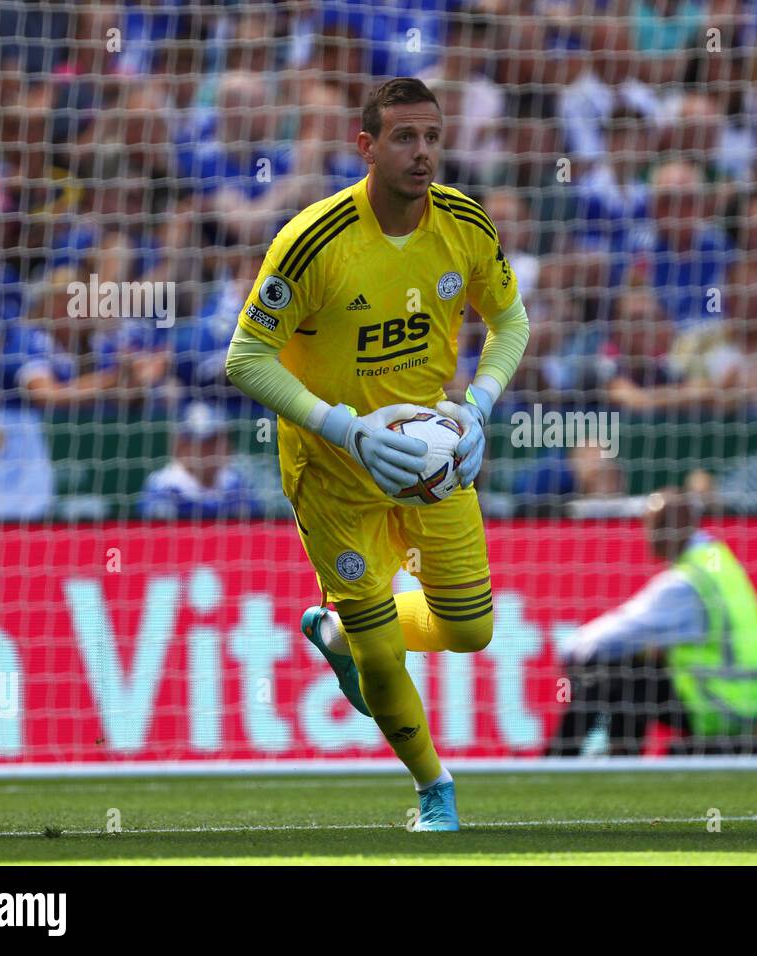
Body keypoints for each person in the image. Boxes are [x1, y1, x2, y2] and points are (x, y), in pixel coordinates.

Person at [225, 78, 529, 831]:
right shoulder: (312, 241)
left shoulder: (463, 224)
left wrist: (481, 405)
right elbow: (245, 358)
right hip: (333, 472)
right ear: (366, 146)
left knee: (470, 631)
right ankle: (435, 790)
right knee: (383, 660)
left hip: (431, 459)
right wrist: (346, 428)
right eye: (403, 137)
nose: (422, 152)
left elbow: (510, 320)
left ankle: (338, 632)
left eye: (431, 136)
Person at [547, 488, 757, 757]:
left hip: (719, 705)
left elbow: (621, 630)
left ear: (673, 527)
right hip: (746, 702)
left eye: (653, 525)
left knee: (609, 672)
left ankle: (559, 761)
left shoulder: (685, 583)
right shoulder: (716, 561)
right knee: (634, 670)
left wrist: (571, 648)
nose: (648, 534)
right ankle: (617, 763)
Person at [138, 402, 260, 520]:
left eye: (217, 441)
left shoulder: (234, 482)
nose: (214, 449)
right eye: (204, 443)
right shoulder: (163, 487)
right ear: (181, 446)